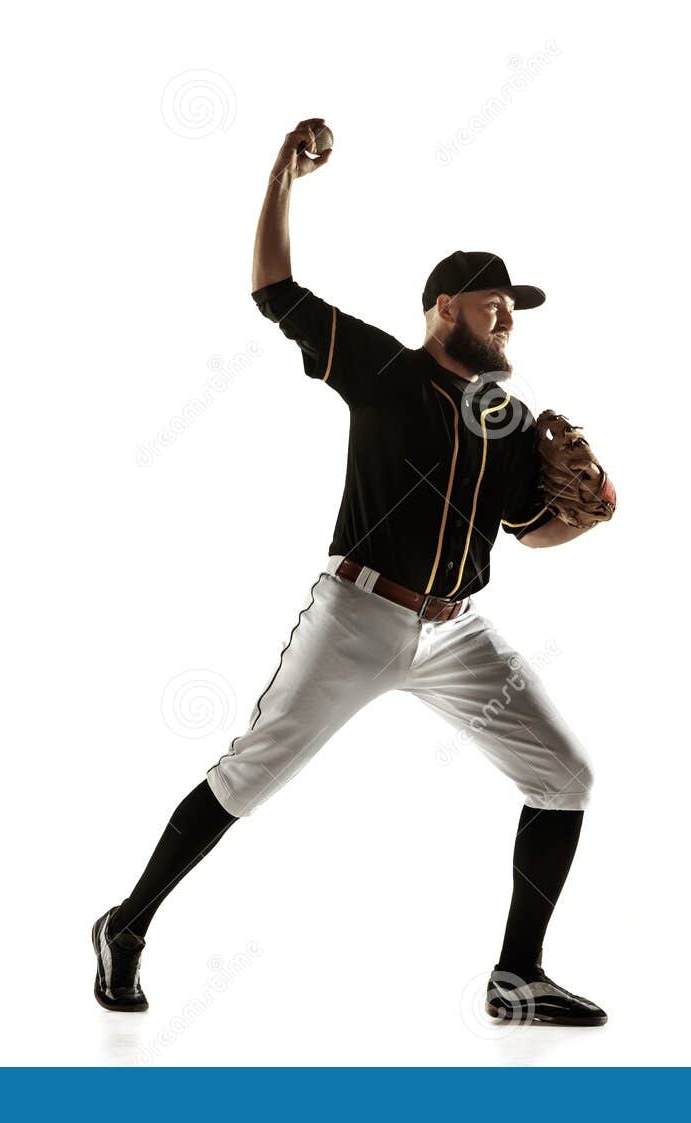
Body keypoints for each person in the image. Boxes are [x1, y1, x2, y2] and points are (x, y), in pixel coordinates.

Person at [93, 118, 616, 1027]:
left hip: (459, 632)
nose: (508, 314)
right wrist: (280, 174)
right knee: (250, 773)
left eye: (513, 304)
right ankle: (127, 923)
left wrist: (596, 512)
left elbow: (531, 533)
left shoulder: (510, 416)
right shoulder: (383, 367)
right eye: (492, 299)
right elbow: (274, 289)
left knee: (565, 776)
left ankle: (517, 977)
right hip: (357, 616)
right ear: (444, 307)